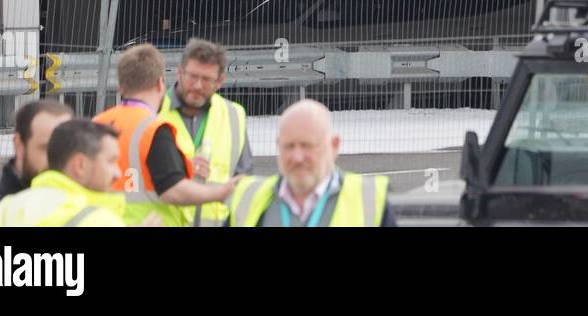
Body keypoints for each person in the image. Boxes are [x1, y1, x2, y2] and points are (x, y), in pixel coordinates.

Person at [95, 43, 236, 226]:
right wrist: (221, 193)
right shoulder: (154, 128)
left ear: (121, 87)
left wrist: (184, 167)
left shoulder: (97, 123)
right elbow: (171, 189)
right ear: (160, 83)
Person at [227, 100, 394, 227]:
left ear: (334, 145)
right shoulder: (247, 199)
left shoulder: (370, 200)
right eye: (289, 146)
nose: (297, 157)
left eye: (307, 146)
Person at [159, 38, 252, 226]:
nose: (198, 86)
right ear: (179, 72)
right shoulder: (153, 110)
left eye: (207, 79)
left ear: (220, 81)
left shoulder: (234, 115)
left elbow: (243, 183)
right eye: (193, 76)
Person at [0, 118, 125, 227]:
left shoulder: (5, 210)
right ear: (80, 165)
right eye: (111, 161)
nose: (117, 173)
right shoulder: (100, 221)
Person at [0, 99, 72, 227]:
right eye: (47, 148)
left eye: (67, 149)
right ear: (19, 145)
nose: (59, 158)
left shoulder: (84, 199)